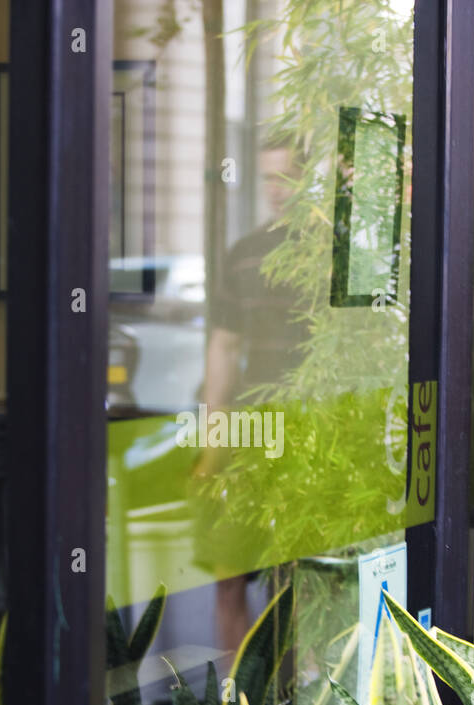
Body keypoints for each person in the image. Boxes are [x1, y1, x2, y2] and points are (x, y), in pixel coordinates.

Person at [192, 135, 307, 652]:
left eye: (285, 177)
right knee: (228, 574)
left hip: (310, 437)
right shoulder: (245, 255)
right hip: (249, 433)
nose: (276, 190)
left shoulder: (329, 253)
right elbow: (222, 350)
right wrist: (211, 451)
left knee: (297, 585)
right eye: (267, 178)